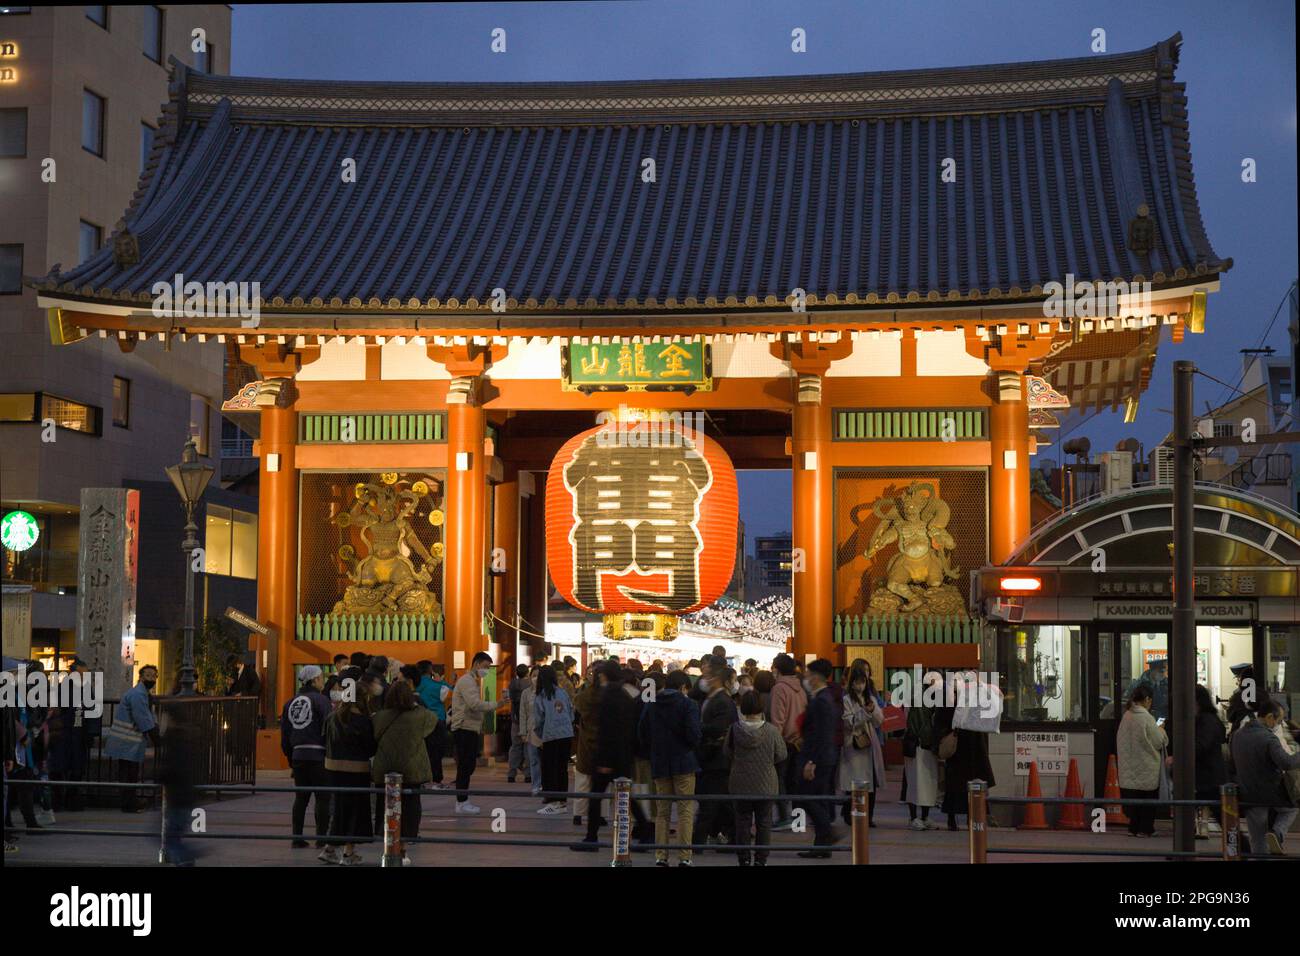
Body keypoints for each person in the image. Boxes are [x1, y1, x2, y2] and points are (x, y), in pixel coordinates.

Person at [572, 661, 650, 851]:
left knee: (596, 796)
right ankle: (646, 832)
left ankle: (591, 838)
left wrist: (604, 760)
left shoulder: (609, 695)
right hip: (623, 756)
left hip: (608, 757)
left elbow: (608, 730)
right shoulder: (626, 694)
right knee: (625, 796)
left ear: (604, 676)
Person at [371, 679, 438, 866]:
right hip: (411, 769)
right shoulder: (420, 716)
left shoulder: (379, 717)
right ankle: (402, 849)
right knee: (410, 808)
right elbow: (433, 720)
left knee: (386, 808)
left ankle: (388, 847)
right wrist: (416, 704)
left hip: (385, 769)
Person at [639, 669, 702, 866]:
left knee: (662, 812)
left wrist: (655, 750)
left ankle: (661, 856)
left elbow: (642, 732)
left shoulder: (651, 704)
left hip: (660, 763)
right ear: (683, 687)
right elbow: (694, 734)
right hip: (684, 763)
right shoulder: (689, 704)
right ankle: (684, 857)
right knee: (685, 811)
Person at [1230, 699, 1300, 855]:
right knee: (1291, 809)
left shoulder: (1237, 735)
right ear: (1269, 717)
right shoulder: (1269, 738)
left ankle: (1262, 852)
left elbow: (1232, 763)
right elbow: (1286, 762)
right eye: (1278, 721)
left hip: (1247, 792)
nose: (1278, 725)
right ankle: (1277, 833)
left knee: (1257, 839)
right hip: (1271, 792)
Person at [725, 690, 786, 866]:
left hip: (740, 783)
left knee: (742, 822)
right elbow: (782, 754)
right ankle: (761, 860)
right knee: (764, 822)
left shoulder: (734, 729)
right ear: (761, 707)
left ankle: (743, 859)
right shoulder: (772, 731)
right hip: (766, 783)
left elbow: (727, 752)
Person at [322, 666, 375, 865]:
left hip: (332, 769)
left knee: (340, 810)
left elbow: (323, 740)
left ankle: (329, 848)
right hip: (356, 771)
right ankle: (348, 852)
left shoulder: (333, 717)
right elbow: (370, 747)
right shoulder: (363, 720)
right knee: (355, 812)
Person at [280, 665, 332, 848]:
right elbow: (328, 728)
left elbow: (285, 734)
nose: (323, 681)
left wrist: (290, 757)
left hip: (298, 755)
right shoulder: (321, 700)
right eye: (321, 678)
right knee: (323, 797)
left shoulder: (290, 703)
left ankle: (297, 837)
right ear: (315, 679)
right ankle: (321, 838)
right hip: (318, 755)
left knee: (301, 798)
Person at [796, 659, 840, 858]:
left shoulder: (821, 701)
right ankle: (822, 846)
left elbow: (820, 734)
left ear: (815, 677)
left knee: (807, 797)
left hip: (817, 758)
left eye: (807, 674)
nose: (805, 678)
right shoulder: (824, 698)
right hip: (824, 756)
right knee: (817, 799)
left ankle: (828, 832)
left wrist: (811, 762)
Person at [449, 652, 502, 814]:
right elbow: (474, 704)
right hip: (464, 728)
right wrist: (496, 704)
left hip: (470, 728)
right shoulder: (467, 681)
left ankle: (463, 800)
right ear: (477, 664)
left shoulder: (471, 680)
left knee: (468, 766)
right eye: (485, 666)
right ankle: (461, 802)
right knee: (465, 766)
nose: (486, 670)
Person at [104, 664, 161, 813]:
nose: (151, 678)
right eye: (148, 675)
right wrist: (157, 738)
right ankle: (129, 803)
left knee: (128, 773)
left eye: (154, 676)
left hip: (127, 739)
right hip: (128, 739)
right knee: (129, 773)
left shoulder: (141, 693)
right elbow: (143, 718)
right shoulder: (138, 695)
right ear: (140, 677)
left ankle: (129, 801)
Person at [932, 698, 995, 832]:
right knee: (968, 784)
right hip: (970, 748)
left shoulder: (950, 700)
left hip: (961, 749)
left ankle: (954, 818)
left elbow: (940, 721)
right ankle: (969, 818)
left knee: (956, 785)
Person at [696, 664, 739, 849]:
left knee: (710, 802)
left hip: (717, 758)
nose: (703, 680)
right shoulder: (711, 698)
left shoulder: (723, 701)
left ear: (716, 679)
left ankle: (697, 841)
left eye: (707, 676)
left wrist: (697, 727)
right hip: (711, 758)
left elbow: (719, 728)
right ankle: (732, 836)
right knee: (721, 802)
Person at [47, 658, 98, 813]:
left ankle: (71, 799)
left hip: (77, 733)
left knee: (76, 769)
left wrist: (91, 733)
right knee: (59, 768)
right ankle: (58, 799)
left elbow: (92, 711)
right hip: (64, 733)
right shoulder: (62, 688)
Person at [1116, 683, 1167, 837]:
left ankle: (1133, 828)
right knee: (1148, 801)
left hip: (1128, 766)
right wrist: (1161, 730)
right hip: (1146, 767)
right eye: (1150, 701)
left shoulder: (1126, 716)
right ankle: (1146, 829)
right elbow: (1158, 742)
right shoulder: (1146, 718)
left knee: (1135, 801)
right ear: (1146, 700)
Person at [839, 666, 886, 827]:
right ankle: (850, 815)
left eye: (863, 682)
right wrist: (864, 713)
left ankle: (868, 816)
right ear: (851, 683)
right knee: (853, 783)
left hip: (869, 744)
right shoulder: (846, 700)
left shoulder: (870, 698)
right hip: (853, 745)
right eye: (857, 682)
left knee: (870, 783)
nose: (860, 686)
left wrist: (872, 711)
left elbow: (879, 721)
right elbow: (848, 722)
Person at [769, 653, 806, 830]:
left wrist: (774, 745)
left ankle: (784, 817)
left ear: (778, 669)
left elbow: (778, 720)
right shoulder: (800, 688)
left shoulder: (779, 688)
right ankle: (798, 820)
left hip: (784, 741)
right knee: (796, 782)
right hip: (799, 741)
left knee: (780, 780)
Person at [533, 665, 575, 816]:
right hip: (566, 735)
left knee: (550, 769)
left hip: (551, 736)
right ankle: (562, 802)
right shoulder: (562, 692)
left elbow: (539, 720)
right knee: (562, 769)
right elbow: (571, 713)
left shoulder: (541, 696)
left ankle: (553, 803)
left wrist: (540, 734)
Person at [902, 672, 941, 830]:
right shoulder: (918, 697)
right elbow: (914, 722)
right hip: (917, 745)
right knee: (915, 782)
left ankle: (924, 817)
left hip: (928, 746)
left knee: (928, 783)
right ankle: (913, 818)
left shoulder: (934, 699)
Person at [1193, 684, 1227, 839]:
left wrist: (1180, 756)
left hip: (1208, 776)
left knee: (1224, 819)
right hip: (1209, 775)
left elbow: (1202, 745)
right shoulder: (1211, 719)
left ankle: (1242, 847)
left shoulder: (1206, 720)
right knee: (1224, 818)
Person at [572, 663, 603, 825]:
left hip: (584, 742)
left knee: (582, 780)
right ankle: (601, 815)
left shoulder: (584, 694)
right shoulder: (607, 695)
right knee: (602, 784)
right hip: (602, 744)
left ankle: (578, 814)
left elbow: (576, 712)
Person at [415, 661, 452, 787]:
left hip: (418, 720)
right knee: (436, 752)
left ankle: (421, 778)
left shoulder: (413, 684)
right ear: (431, 671)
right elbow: (451, 692)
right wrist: (442, 681)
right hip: (436, 720)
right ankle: (436, 779)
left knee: (421, 750)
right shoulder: (437, 685)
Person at [519, 666, 543, 796]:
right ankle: (535, 785)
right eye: (534, 675)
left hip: (545, 732)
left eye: (539, 675)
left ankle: (545, 784)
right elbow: (523, 713)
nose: (536, 678)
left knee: (545, 760)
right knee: (533, 760)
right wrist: (522, 732)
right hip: (531, 730)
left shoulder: (545, 692)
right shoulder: (526, 693)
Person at [506, 664, 531, 784]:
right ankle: (528, 775)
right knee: (527, 747)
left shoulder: (512, 684)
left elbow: (511, 698)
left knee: (515, 746)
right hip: (527, 720)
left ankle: (511, 773)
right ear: (527, 673)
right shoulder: (530, 685)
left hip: (515, 720)